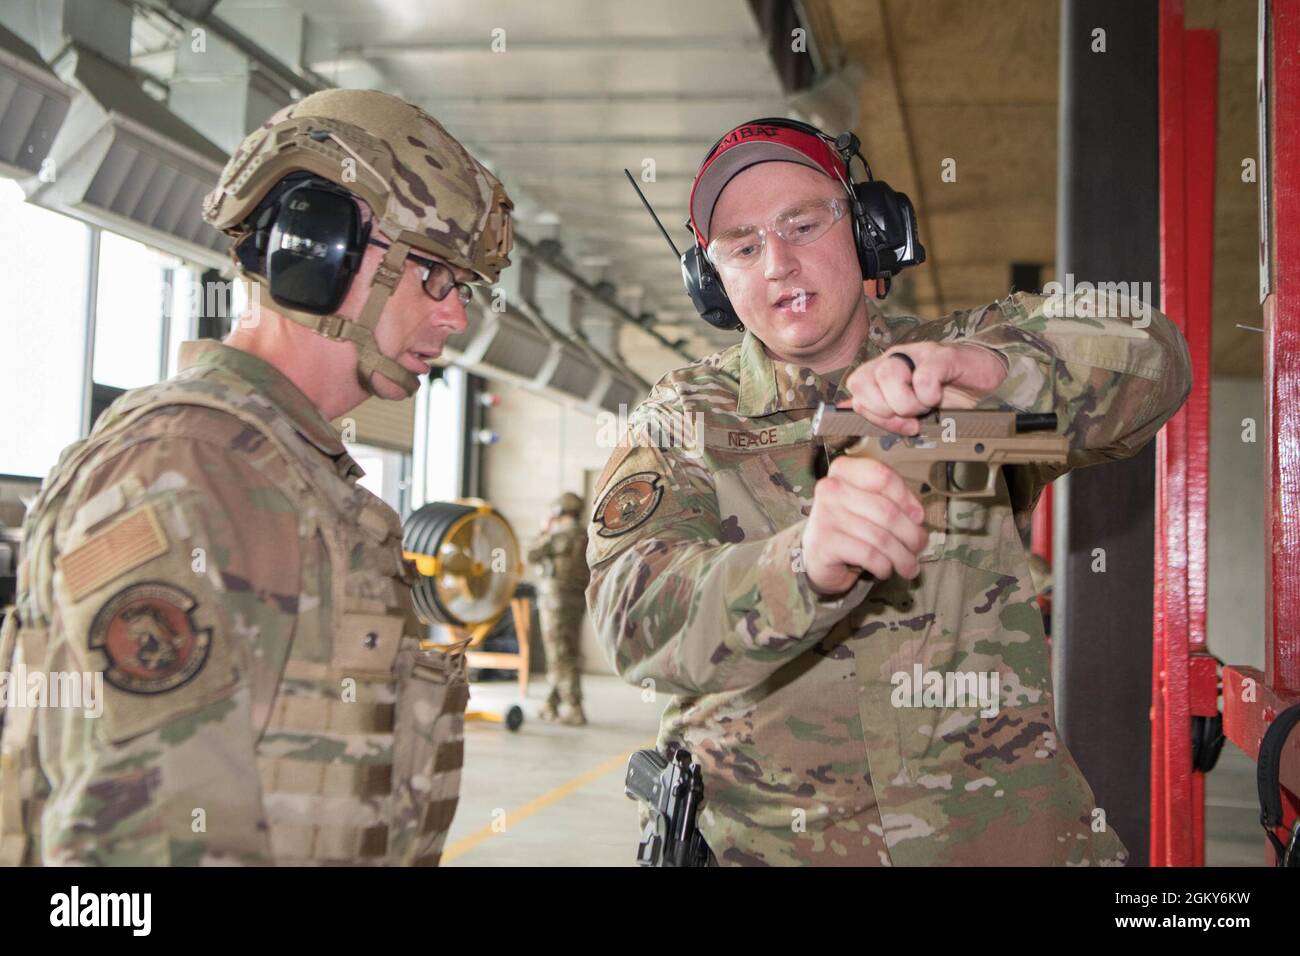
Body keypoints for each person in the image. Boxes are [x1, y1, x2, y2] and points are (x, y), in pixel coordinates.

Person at [586, 118, 1191, 866]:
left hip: (998, 839)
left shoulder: (965, 370)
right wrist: (799, 567)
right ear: (714, 280)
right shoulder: (685, 419)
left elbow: (1153, 358)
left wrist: (990, 374)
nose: (778, 263)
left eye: (803, 224)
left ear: (870, 233)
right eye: (743, 247)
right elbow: (633, 618)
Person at [0, 88, 513, 866]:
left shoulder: (295, 479)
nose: (455, 319)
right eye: (436, 278)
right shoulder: (186, 473)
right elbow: (136, 861)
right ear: (322, 249)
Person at [526, 492, 590, 725]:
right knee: (567, 651)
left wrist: (544, 530)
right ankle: (550, 704)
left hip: (555, 601)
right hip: (577, 599)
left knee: (559, 655)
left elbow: (531, 553)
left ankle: (574, 707)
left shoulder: (557, 535)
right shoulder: (586, 535)